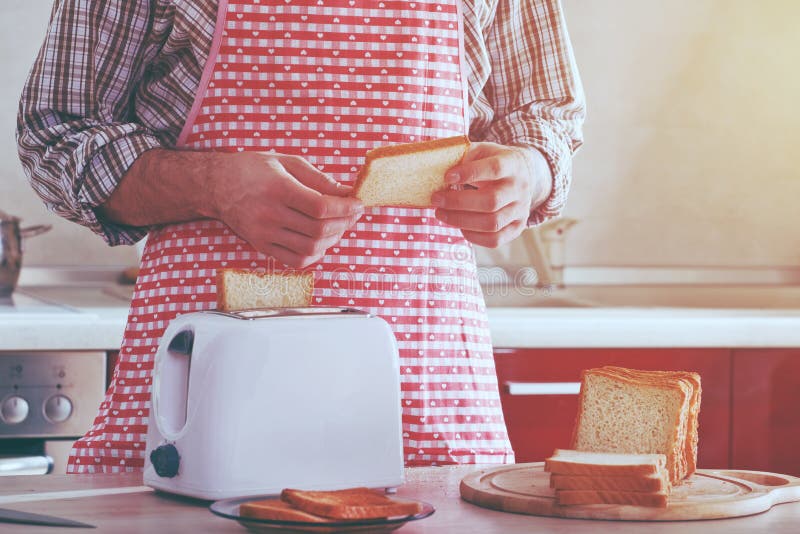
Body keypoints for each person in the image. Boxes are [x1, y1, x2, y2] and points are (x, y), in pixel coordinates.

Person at [17, 0, 585, 473]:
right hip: (208, 396)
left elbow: (544, 118)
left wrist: (528, 175)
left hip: (424, 392)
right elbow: (57, 131)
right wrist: (211, 185)